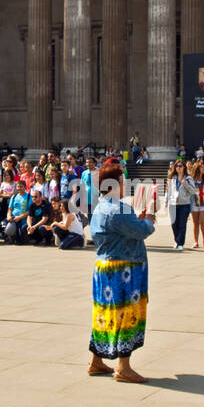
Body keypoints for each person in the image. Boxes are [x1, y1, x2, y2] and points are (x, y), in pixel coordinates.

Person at [88, 159, 154, 383]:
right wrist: (150, 221)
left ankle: (96, 361)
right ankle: (124, 367)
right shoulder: (119, 208)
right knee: (126, 315)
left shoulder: (100, 207)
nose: (125, 183)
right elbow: (139, 231)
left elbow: (125, 228)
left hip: (103, 267)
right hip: (124, 269)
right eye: (122, 179)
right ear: (115, 183)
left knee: (104, 314)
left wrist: (138, 220)